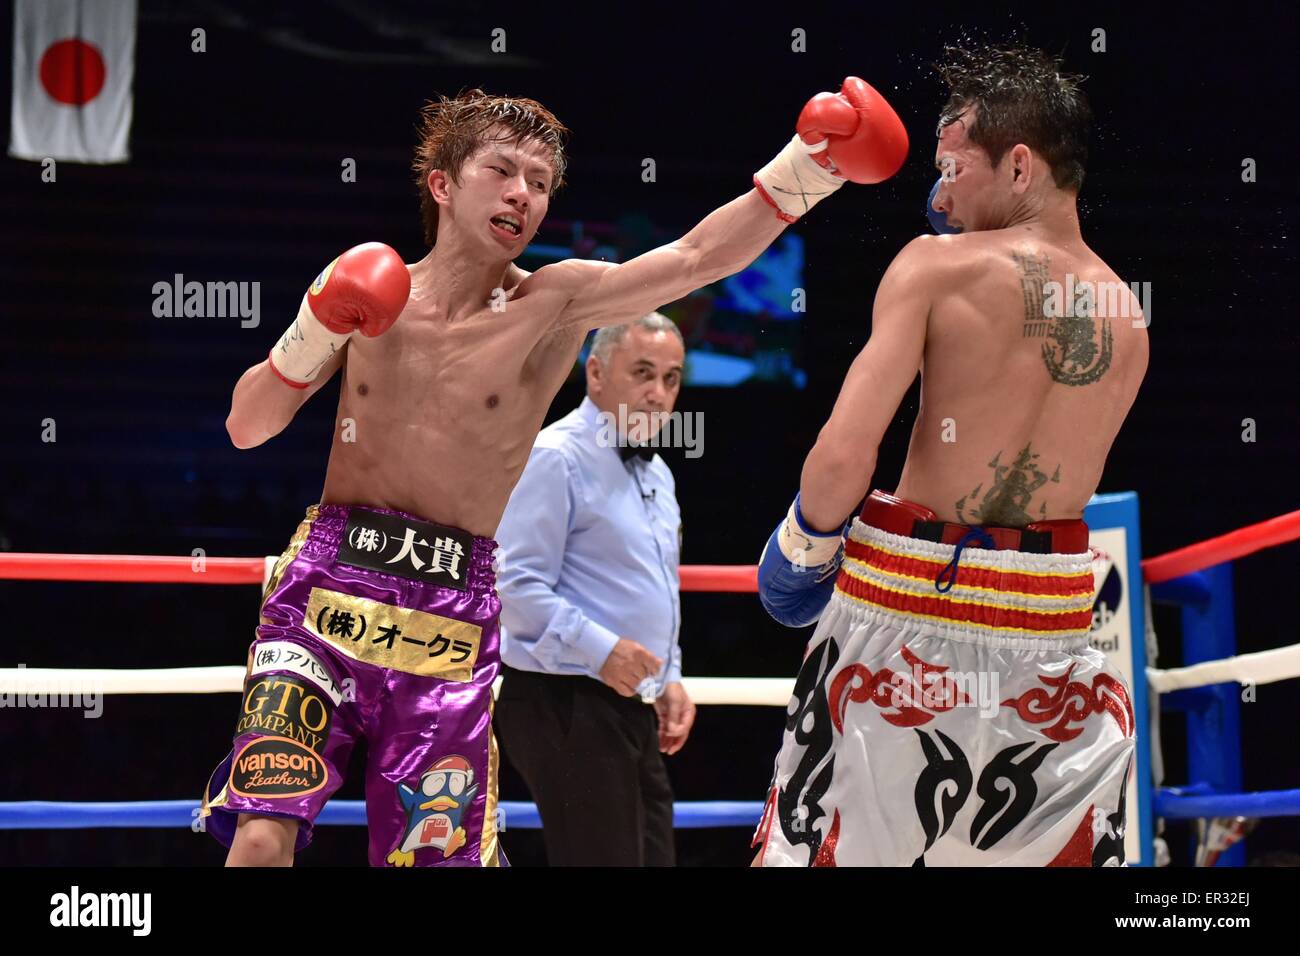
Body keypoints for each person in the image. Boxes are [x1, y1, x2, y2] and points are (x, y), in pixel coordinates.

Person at [198, 80, 908, 866]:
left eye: (539, 184)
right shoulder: (369, 286)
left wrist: (809, 168)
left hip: (449, 607)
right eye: (503, 172)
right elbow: (246, 425)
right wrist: (312, 325)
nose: (523, 195)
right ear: (441, 183)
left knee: (428, 858)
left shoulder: (553, 305)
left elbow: (697, 258)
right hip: (326, 590)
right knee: (263, 834)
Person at [753, 43, 1148, 867]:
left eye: (951, 168)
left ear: (1017, 165)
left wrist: (803, 547)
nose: (939, 195)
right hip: (1056, 632)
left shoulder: (935, 267)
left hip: (907, 609)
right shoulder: (1126, 314)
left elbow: (843, 452)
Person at [494, 313, 692, 866]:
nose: (658, 394)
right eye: (644, 373)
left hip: (628, 699)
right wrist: (602, 650)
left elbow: (653, 587)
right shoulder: (555, 456)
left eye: (672, 379)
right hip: (562, 698)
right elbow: (513, 584)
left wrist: (669, 675)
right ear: (597, 373)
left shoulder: (658, 474)